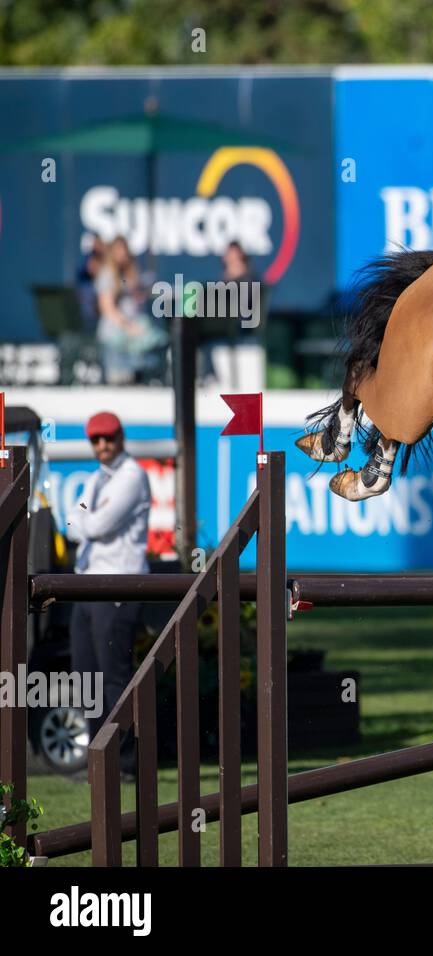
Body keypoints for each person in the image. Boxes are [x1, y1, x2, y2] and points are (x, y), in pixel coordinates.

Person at [64, 411, 153, 779]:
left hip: (117, 586)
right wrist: (86, 519)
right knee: (85, 677)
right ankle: (101, 760)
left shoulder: (132, 475)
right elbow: (71, 526)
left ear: (120, 438)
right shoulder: (100, 478)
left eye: (109, 438)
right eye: (96, 440)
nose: (102, 446)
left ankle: (125, 762)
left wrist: (85, 518)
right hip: (89, 585)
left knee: (114, 678)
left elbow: (94, 525)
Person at [94, 237, 167, 384]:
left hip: (136, 325)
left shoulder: (130, 274)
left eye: (125, 250)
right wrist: (127, 326)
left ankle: (151, 373)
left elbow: (137, 300)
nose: (123, 254)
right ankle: (124, 371)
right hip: (117, 330)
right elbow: (107, 308)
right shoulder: (107, 274)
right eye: (119, 250)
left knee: (158, 337)